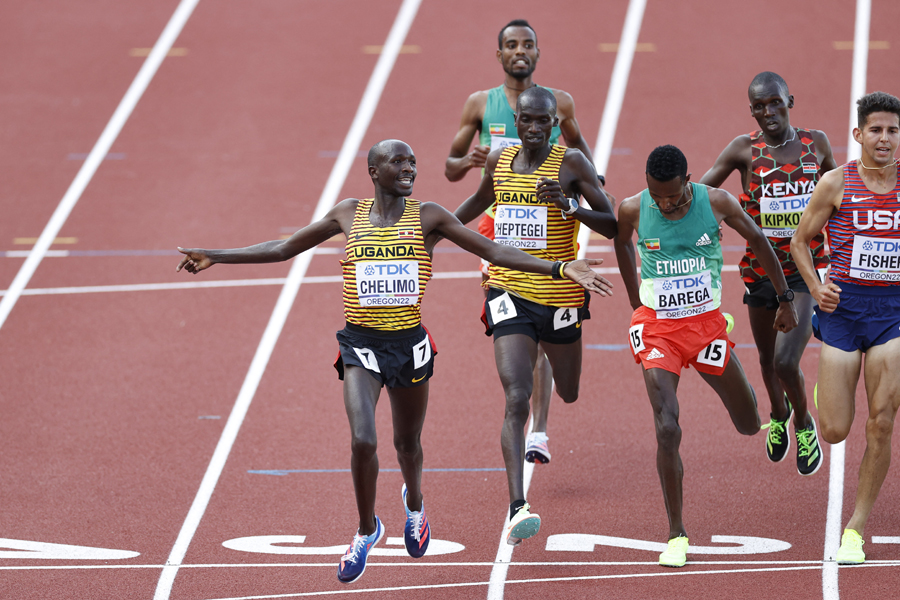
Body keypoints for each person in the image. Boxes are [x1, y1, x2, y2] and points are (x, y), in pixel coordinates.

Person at [176, 139, 612, 583]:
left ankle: (416, 505)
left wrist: (560, 268)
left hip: (409, 347)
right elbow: (284, 248)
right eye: (398, 162)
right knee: (363, 440)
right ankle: (366, 530)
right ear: (374, 170)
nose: (409, 168)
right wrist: (217, 255)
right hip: (360, 346)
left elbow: (495, 251)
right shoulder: (348, 213)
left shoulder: (430, 216)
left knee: (407, 445)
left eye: (412, 162)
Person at [614, 145, 797, 567]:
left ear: (689, 181)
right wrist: (633, 298)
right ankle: (677, 532)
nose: (666, 205)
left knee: (749, 423)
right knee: (667, 426)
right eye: (657, 197)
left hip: (706, 327)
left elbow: (758, 239)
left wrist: (785, 298)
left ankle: (777, 411)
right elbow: (621, 242)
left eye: (674, 198)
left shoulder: (717, 202)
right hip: (658, 327)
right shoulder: (632, 209)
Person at [454, 86, 617, 545]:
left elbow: (614, 223)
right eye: (526, 119)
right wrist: (435, 227)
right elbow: (479, 202)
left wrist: (570, 206)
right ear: (517, 118)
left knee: (569, 391)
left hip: (561, 295)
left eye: (542, 121)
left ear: (554, 122)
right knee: (515, 395)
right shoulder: (498, 160)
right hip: (508, 291)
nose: (533, 128)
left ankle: (548, 366)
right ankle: (516, 506)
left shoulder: (571, 164)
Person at [445, 19, 612, 465]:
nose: (520, 51)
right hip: (496, 232)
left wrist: (587, 187)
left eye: (528, 44)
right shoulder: (481, 104)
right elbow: (452, 169)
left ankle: (539, 420)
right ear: (498, 54)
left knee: (547, 339)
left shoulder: (562, 105)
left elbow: (584, 158)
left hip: (554, 232)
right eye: (512, 45)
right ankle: (533, 427)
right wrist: (468, 161)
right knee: (519, 321)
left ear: (538, 52)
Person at [700, 71, 836, 475]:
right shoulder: (744, 149)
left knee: (785, 361)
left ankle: (803, 422)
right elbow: (702, 193)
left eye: (775, 102)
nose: (768, 111)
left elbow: (841, 190)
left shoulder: (816, 144)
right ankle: (777, 414)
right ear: (752, 111)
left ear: (789, 101)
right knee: (764, 357)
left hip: (805, 270)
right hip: (760, 271)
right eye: (759, 106)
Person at [791, 91, 900, 565]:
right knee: (835, 430)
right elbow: (799, 242)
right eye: (876, 129)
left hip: (892, 314)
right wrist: (816, 289)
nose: (884, 138)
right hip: (842, 312)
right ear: (858, 135)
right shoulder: (836, 184)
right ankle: (826, 397)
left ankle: (855, 527)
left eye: (893, 130)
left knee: (881, 420)